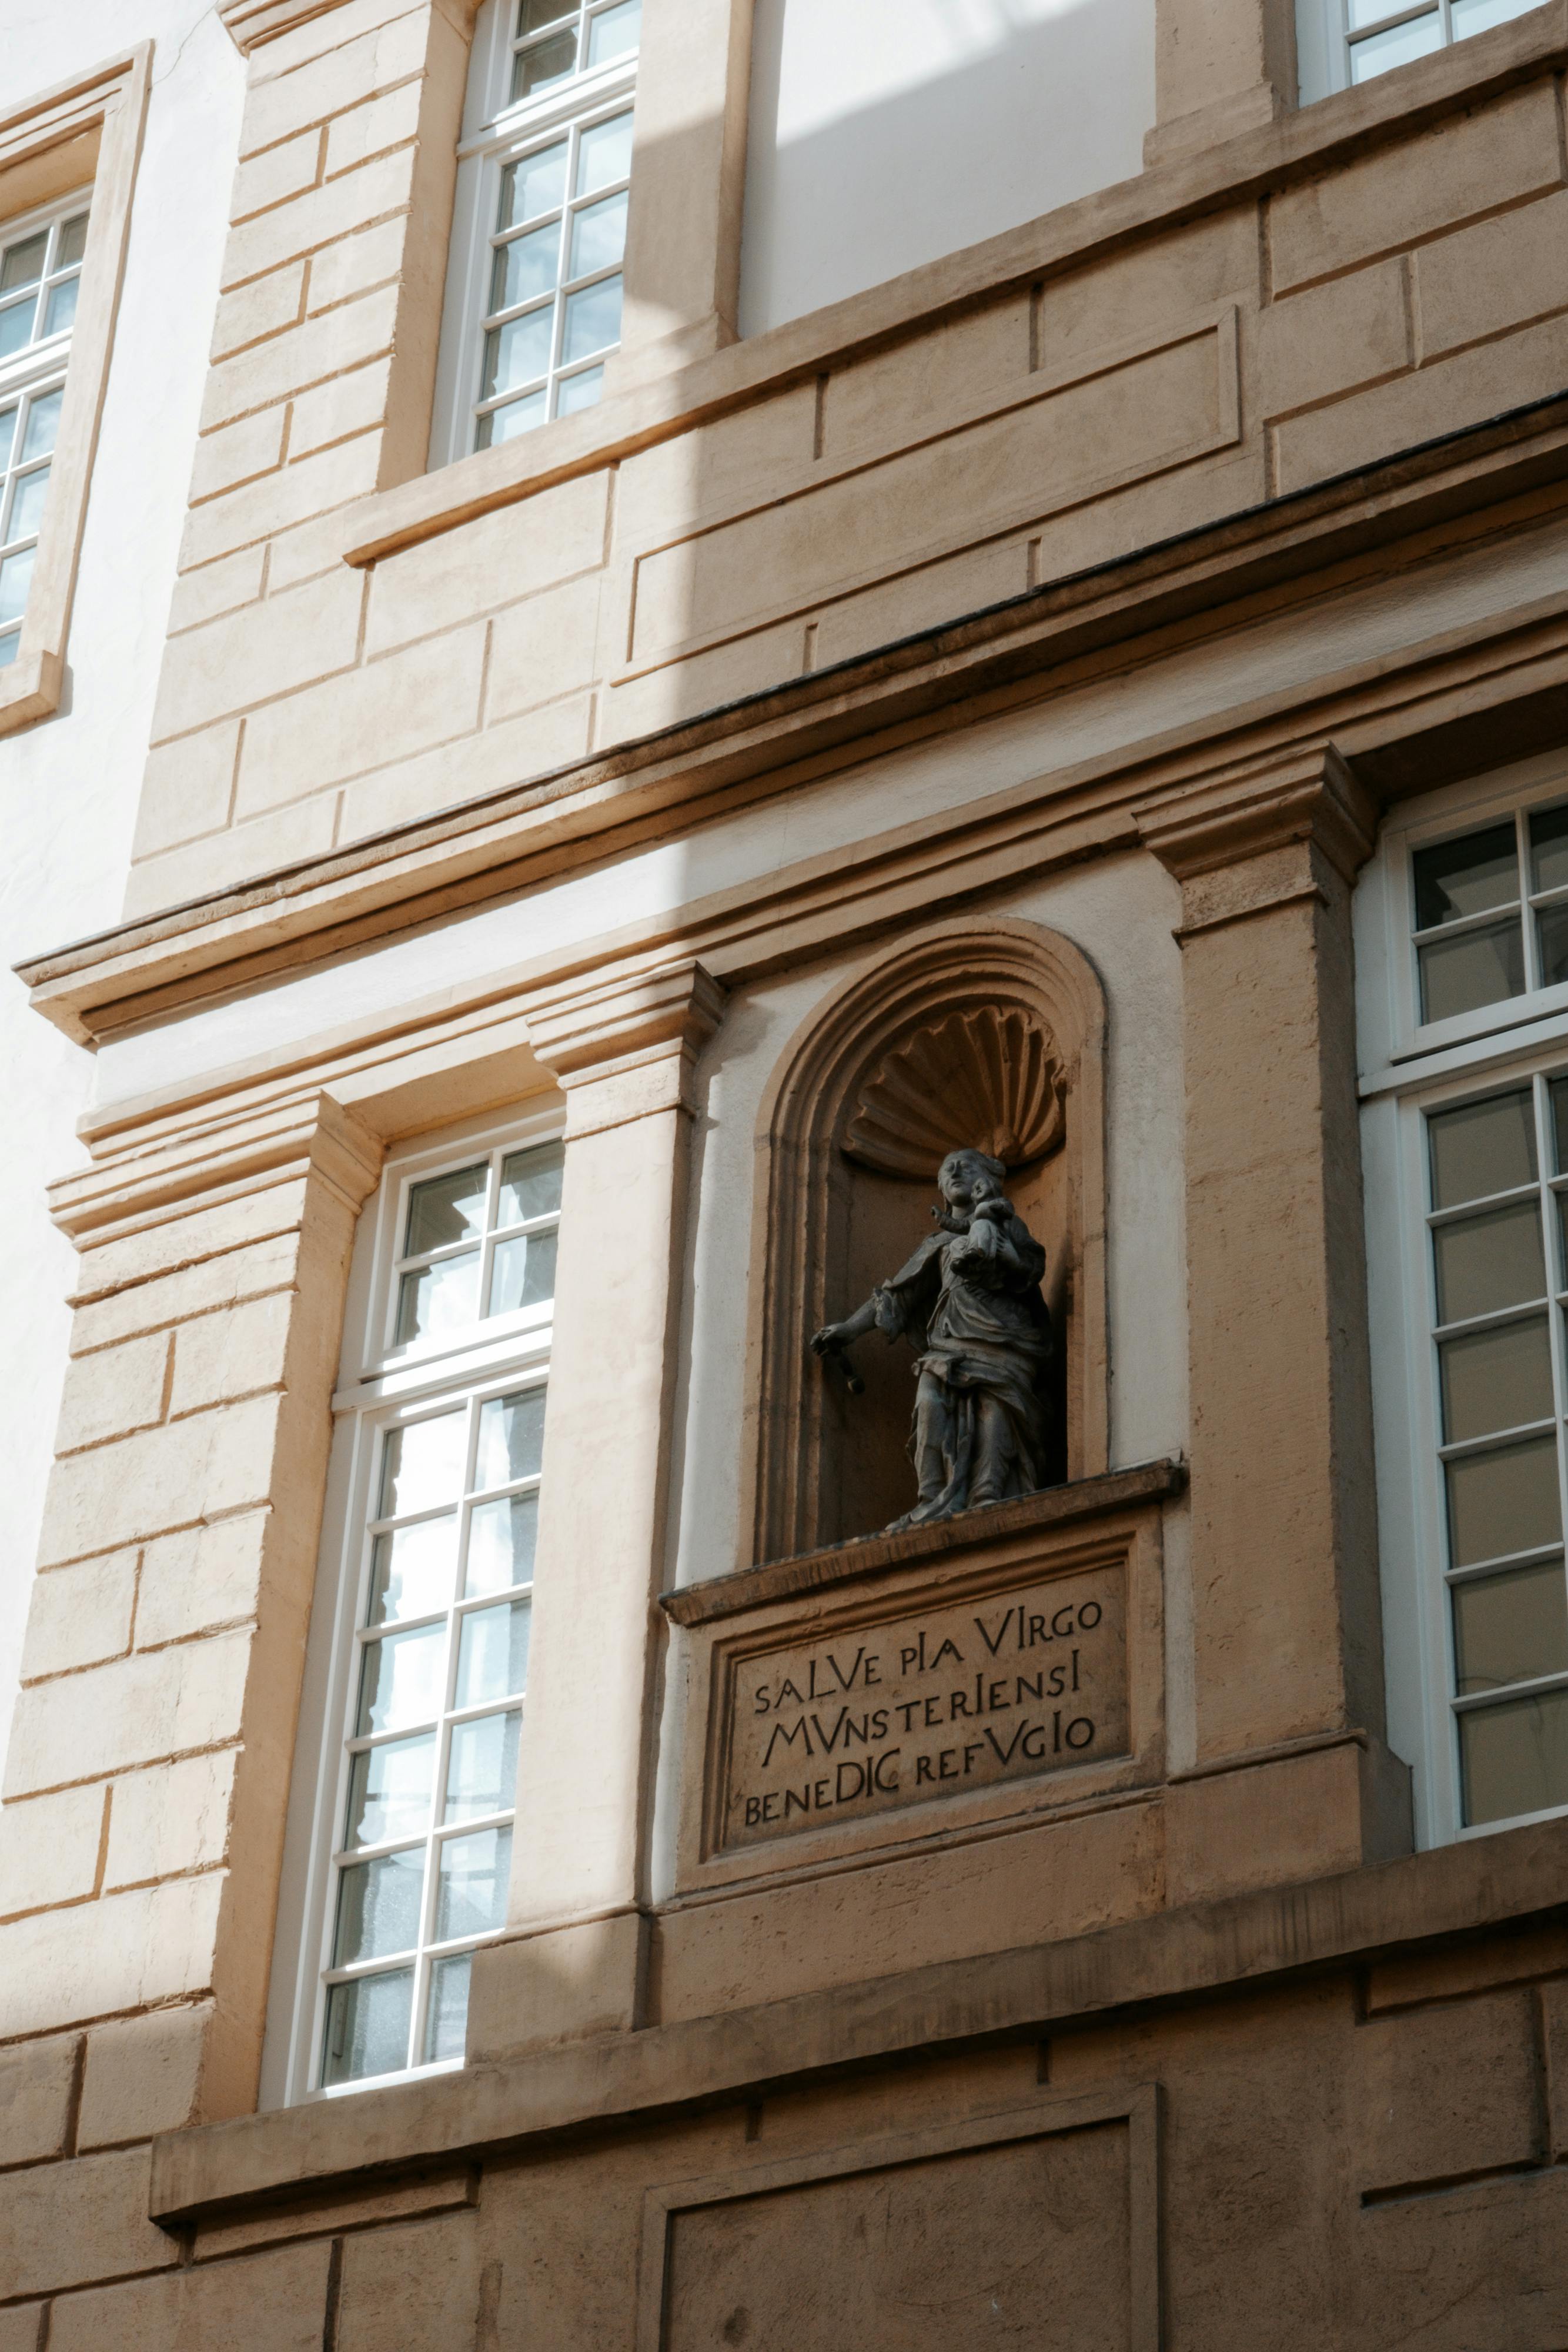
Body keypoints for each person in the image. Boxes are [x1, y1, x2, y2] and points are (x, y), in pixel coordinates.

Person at [811, 1147, 1056, 1531]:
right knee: (929, 1404)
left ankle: (988, 1496)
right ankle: (932, 1500)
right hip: (948, 1345)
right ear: (941, 1189)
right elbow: (896, 1296)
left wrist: (1001, 1245)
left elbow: (1030, 1269)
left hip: (1004, 1341)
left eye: (966, 1165)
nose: (955, 1170)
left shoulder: (1006, 1223)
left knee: (995, 1411)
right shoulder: (936, 1244)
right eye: (946, 1169)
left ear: (985, 1180)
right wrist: (849, 1329)